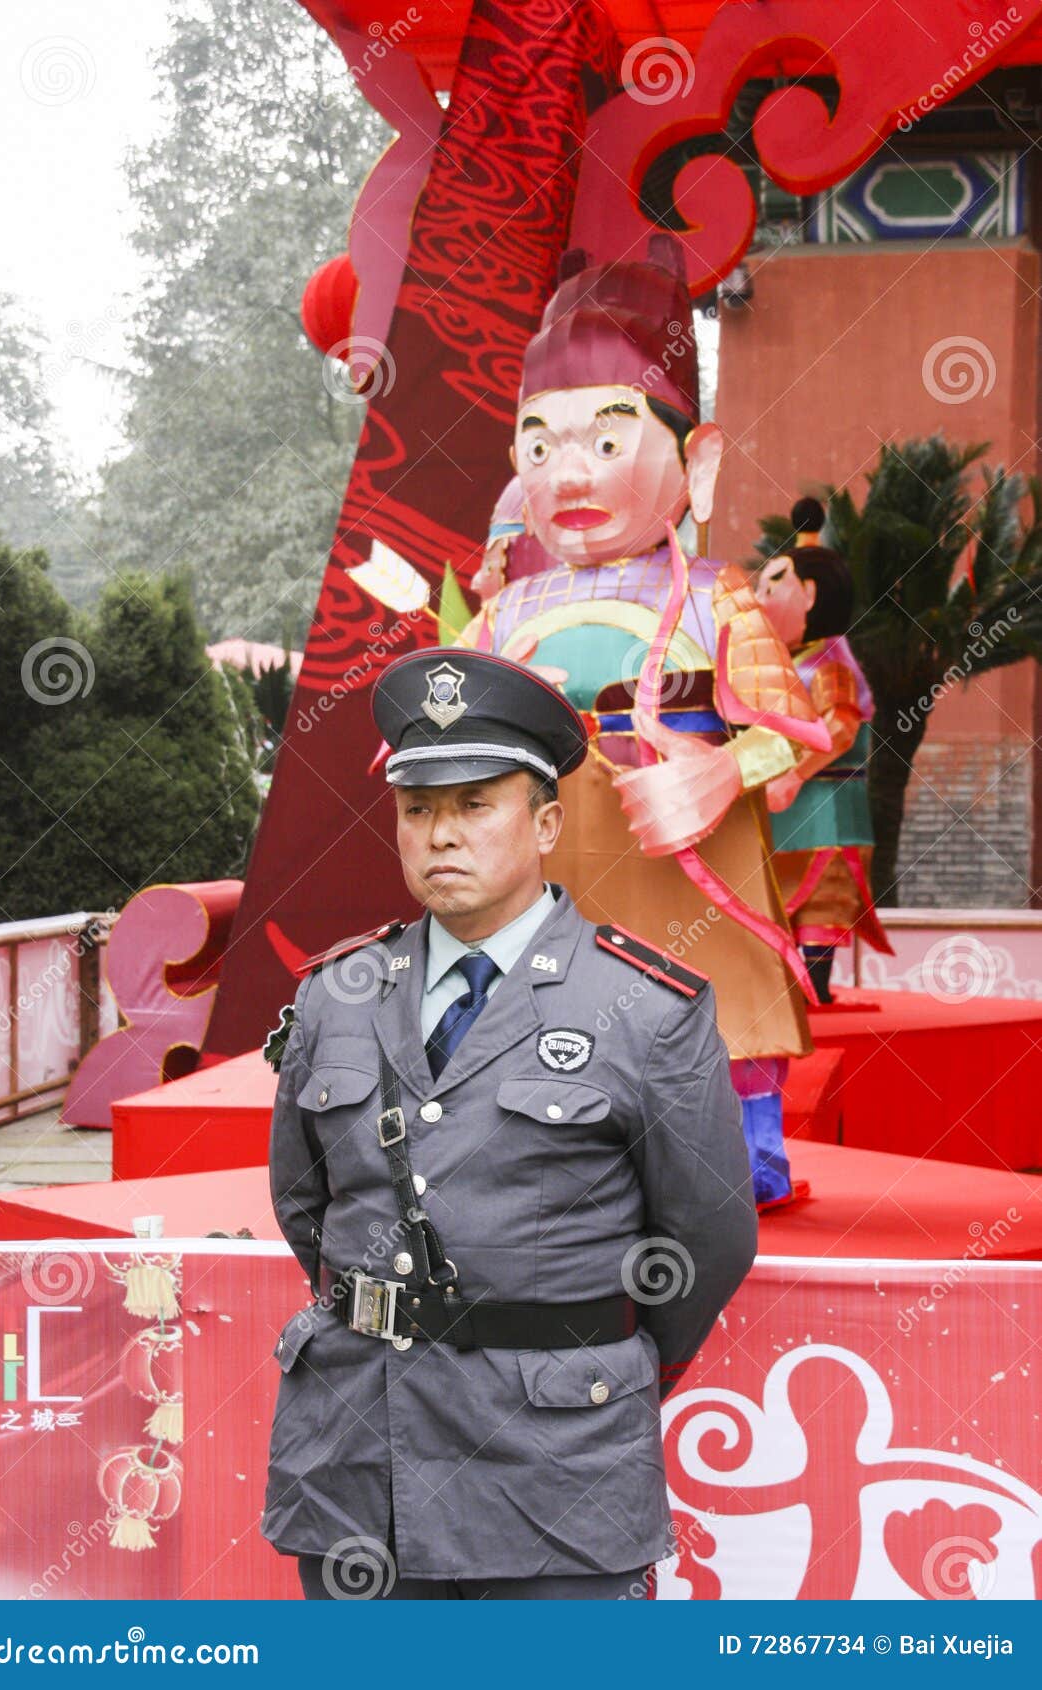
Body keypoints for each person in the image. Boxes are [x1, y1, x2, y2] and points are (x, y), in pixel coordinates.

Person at [260, 646, 757, 1600]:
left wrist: (591, 1353)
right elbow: (305, 1206)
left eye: (474, 805)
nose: (440, 836)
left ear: (545, 822)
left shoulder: (646, 1005)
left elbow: (708, 1236)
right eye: (418, 811)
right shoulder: (338, 995)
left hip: (556, 1470)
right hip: (361, 1463)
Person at [457, 239, 832, 1208]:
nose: (569, 474)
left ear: (692, 460)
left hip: (684, 838)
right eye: (540, 447)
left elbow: (794, 732)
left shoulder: (719, 598)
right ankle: (558, 1152)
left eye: (607, 440)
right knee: (551, 1004)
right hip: (552, 850)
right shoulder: (504, 613)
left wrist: (716, 771)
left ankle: (747, 1144)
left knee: (719, 995)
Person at [755, 498, 893, 1003]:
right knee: (784, 902)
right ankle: (792, 990)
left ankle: (814, 989)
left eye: (773, 584)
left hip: (826, 808)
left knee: (821, 900)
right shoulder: (790, 664)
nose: (760, 596)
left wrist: (792, 775)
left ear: (809, 594)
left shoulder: (830, 665)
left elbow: (839, 728)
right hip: (788, 813)